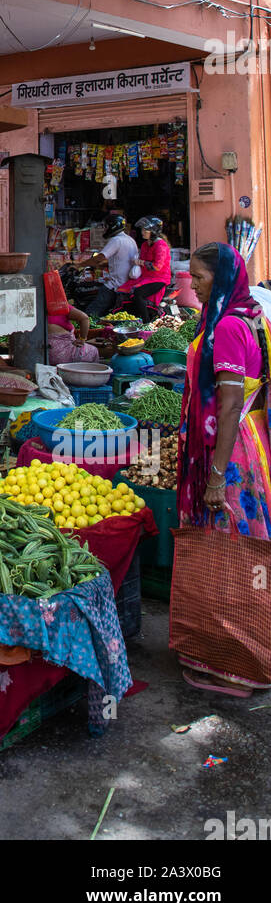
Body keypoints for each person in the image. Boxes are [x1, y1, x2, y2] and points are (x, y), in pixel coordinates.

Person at [175, 242, 271, 695]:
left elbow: (229, 405)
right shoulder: (253, 314)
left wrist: (215, 477)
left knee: (228, 552)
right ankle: (241, 652)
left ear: (224, 277)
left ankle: (236, 667)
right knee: (245, 551)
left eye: (199, 277)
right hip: (250, 443)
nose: (192, 283)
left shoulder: (230, 326)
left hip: (230, 455)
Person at [73, 214, 139, 321]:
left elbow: (100, 257)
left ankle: (86, 324)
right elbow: (120, 260)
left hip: (115, 285)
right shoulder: (129, 240)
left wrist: (78, 265)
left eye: (106, 226)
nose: (104, 229)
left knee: (92, 312)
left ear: (113, 226)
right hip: (126, 283)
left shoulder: (116, 240)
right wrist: (101, 265)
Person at [113, 215, 171, 323]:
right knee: (122, 291)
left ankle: (146, 322)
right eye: (142, 229)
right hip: (145, 278)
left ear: (153, 231)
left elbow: (157, 266)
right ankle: (132, 319)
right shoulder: (144, 245)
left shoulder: (160, 245)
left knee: (138, 293)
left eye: (146, 230)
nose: (142, 232)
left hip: (159, 279)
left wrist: (140, 262)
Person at [47, 301, 100, 367]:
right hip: (62, 355)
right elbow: (85, 318)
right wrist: (82, 339)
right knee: (93, 351)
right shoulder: (59, 306)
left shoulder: (35, 308)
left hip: (42, 353)